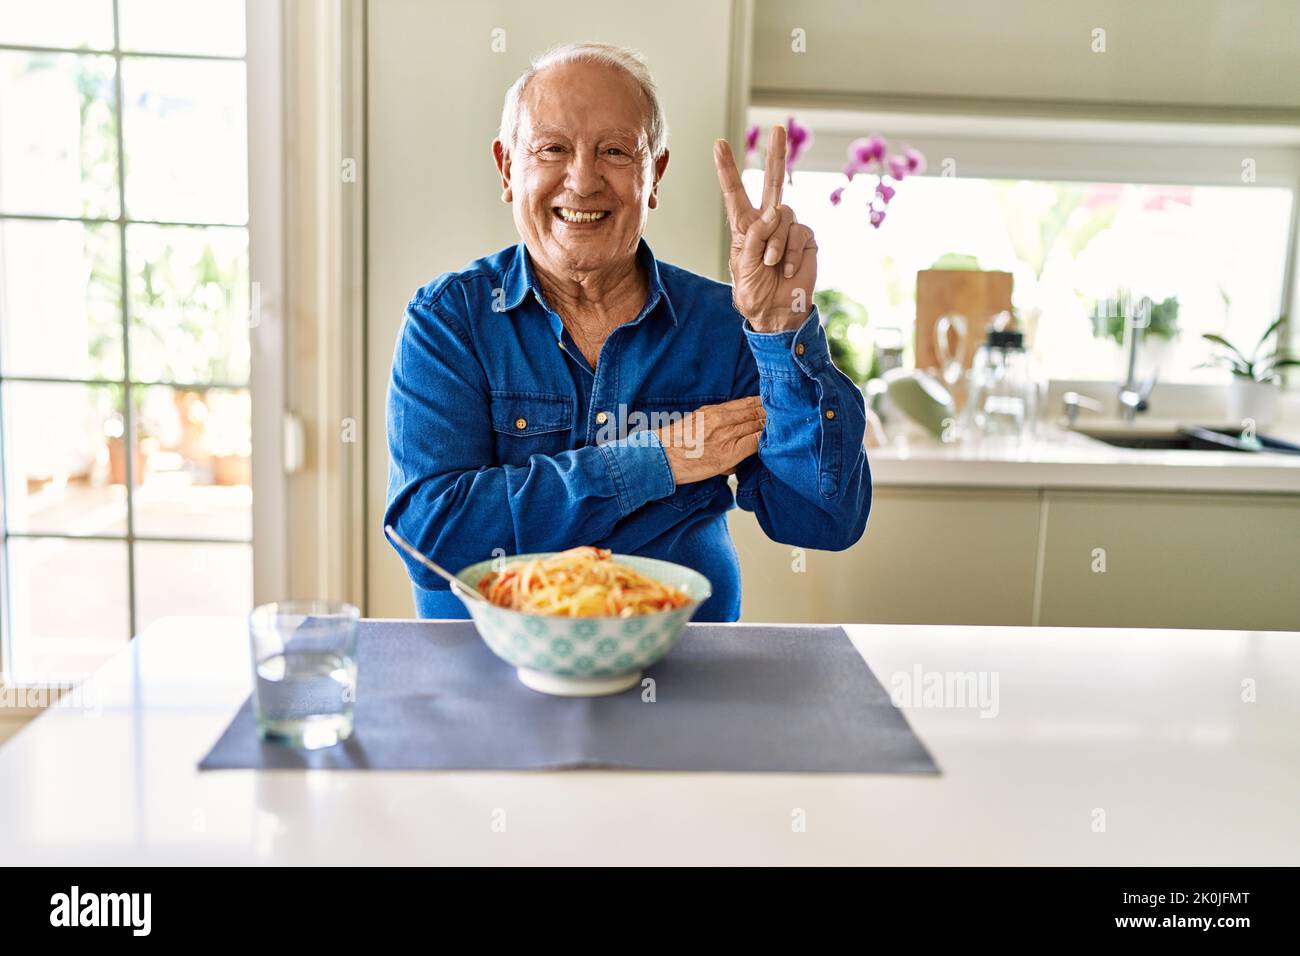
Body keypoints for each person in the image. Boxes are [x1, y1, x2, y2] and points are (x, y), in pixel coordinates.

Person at [385, 42, 870, 621]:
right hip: (491, 684)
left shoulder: (726, 325)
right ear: (508, 167)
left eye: (615, 151)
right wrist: (658, 459)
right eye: (552, 149)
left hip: (686, 673)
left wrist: (777, 327)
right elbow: (431, 534)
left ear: (654, 175)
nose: (584, 180)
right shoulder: (450, 320)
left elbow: (822, 520)